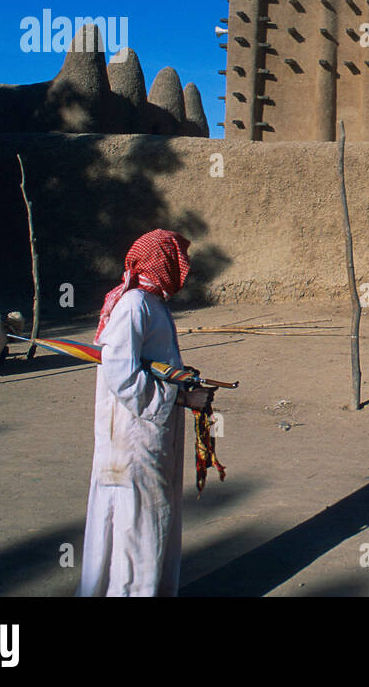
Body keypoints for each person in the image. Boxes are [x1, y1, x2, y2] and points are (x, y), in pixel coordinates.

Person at [78, 230, 212, 597]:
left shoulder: (153, 304)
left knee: (144, 521)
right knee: (136, 525)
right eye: (175, 259)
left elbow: (153, 367)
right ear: (161, 262)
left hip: (145, 430)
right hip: (133, 436)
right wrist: (168, 402)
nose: (182, 268)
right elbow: (119, 370)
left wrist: (183, 391)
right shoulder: (135, 304)